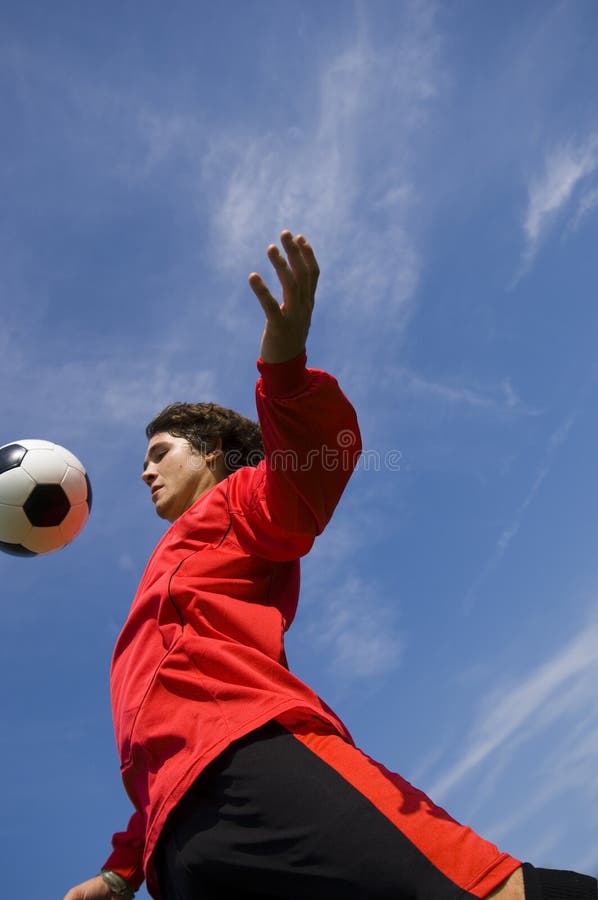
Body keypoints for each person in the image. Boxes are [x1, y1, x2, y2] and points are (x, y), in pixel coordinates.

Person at [64, 232, 597, 900]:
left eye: (161, 451)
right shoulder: (164, 570)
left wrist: (283, 368)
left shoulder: (244, 501)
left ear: (214, 452)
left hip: (253, 765)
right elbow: (160, 748)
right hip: (180, 849)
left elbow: (312, 468)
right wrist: (122, 869)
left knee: (490, 894)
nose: (144, 470)